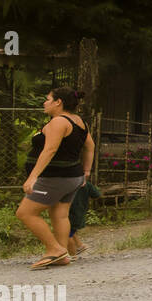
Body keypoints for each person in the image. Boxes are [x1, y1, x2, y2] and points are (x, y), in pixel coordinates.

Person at [18, 87, 95, 270]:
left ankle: (54, 249)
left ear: (58, 102)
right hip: (72, 177)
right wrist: (86, 172)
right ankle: (62, 254)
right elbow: (90, 146)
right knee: (59, 215)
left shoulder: (59, 122)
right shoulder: (79, 121)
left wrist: (32, 177)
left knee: (25, 213)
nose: (45, 103)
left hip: (55, 178)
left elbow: (50, 150)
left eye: (48, 99)